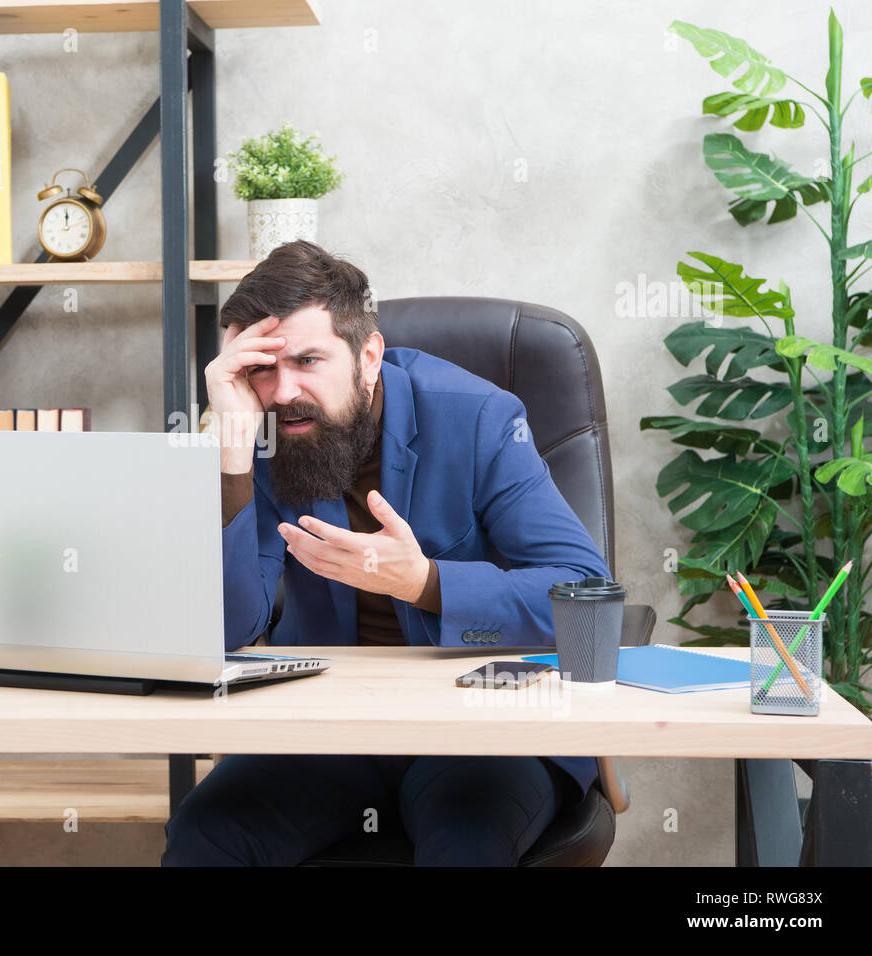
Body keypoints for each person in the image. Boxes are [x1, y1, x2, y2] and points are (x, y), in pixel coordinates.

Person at [162, 240, 611, 866]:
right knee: (203, 839)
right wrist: (232, 453)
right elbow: (230, 629)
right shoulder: (262, 438)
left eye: (308, 360)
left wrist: (426, 582)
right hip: (332, 728)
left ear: (368, 355)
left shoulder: (479, 418)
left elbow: (585, 594)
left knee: (465, 847)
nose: (283, 390)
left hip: (478, 725)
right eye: (261, 368)